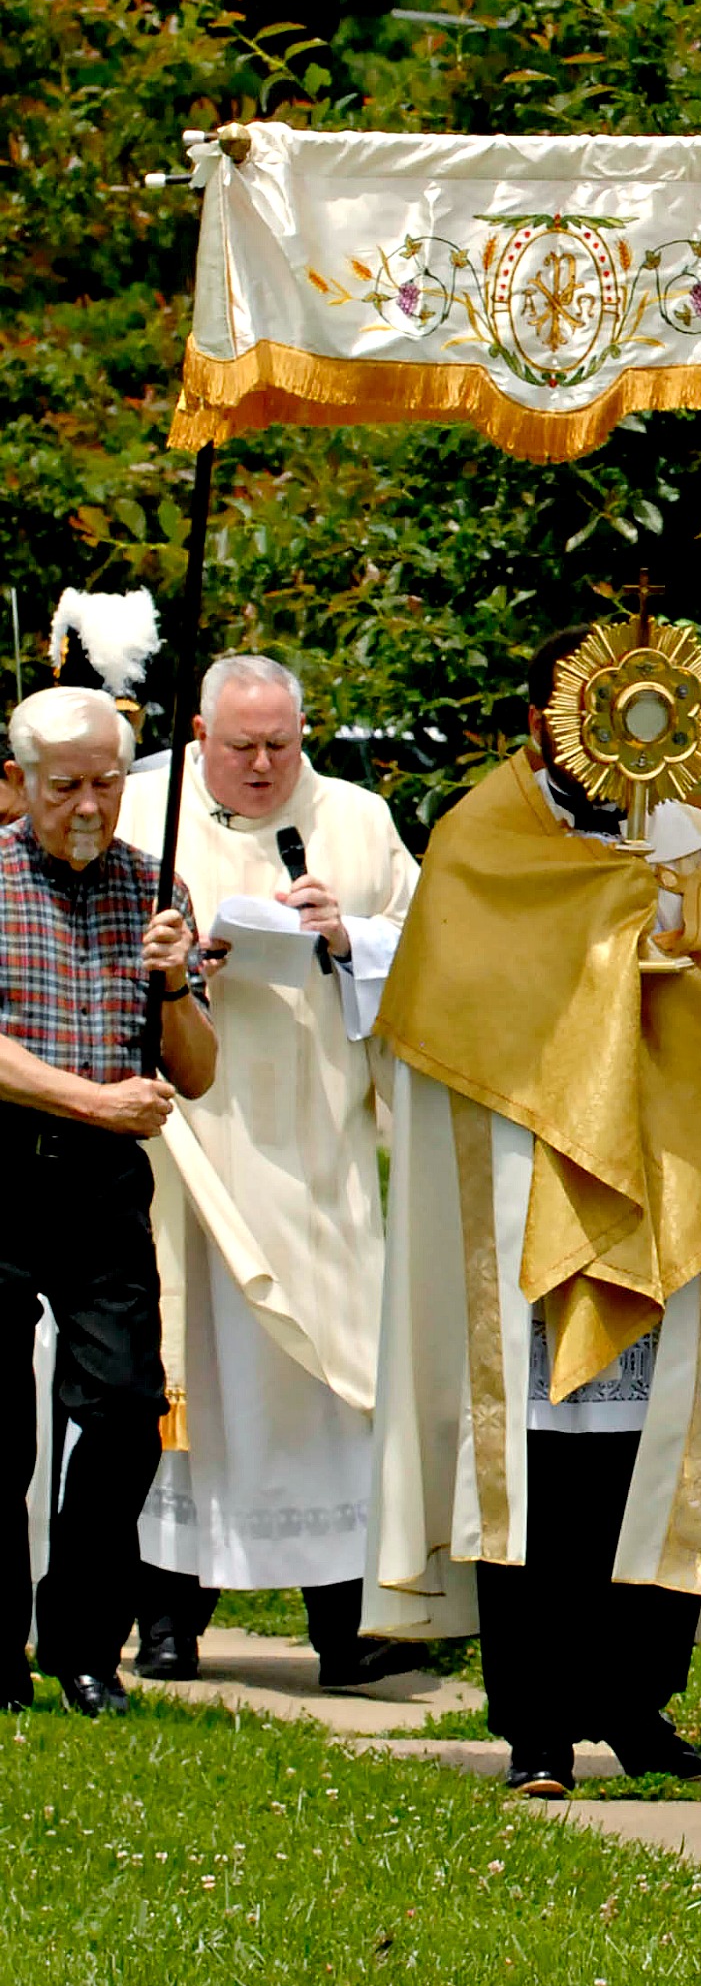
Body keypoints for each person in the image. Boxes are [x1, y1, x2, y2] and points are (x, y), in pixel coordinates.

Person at [364, 627, 701, 1794]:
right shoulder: (481, 837)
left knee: (658, 1453)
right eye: (590, 708)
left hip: (672, 1183)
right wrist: (598, 985)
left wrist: (677, 974)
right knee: (533, 1462)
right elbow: (454, 1016)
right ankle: (534, 1722)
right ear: (544, 717)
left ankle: (637, 1702)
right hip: (529, 1185)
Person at [117, 654, 418, 1687]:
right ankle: (167, 1616)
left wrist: (352, 938)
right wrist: (171, 958)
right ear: (199, 735)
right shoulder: (144, 803)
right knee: (183, 1379)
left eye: (279, 745)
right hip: (188, 1153)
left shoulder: (361, 819)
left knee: (329, 1380)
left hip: (313, 1152)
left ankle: (345, 1624)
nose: (259, 764)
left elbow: (424, 956)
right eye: (239, 746)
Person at [0, 687, 216, 1716]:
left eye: (107, 782)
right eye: (65, 786)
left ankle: (83, 1639)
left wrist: (174, 985)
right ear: (21, 782)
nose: (89, 804)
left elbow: (201, 1070)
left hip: (102, 1189)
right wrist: (95, 1097)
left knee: (128, 1413)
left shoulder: (154, 889)